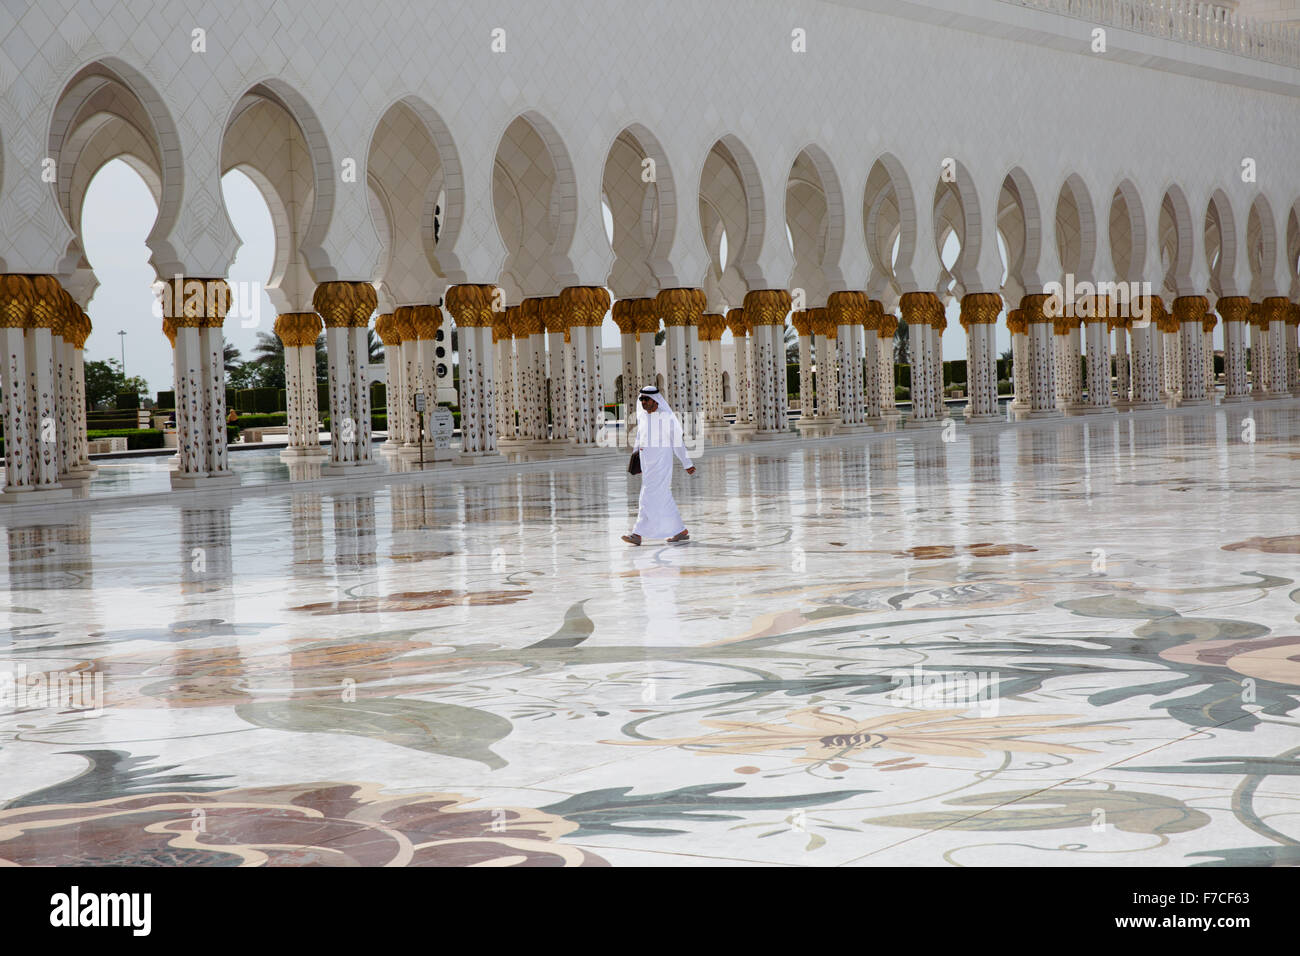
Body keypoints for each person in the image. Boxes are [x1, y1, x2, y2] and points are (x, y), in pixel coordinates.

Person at [623, 385, 695, 546]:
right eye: (641, 399)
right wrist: (636, 460)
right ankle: (680, 531)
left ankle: (637, 533)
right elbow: (639, 439)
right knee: (662, 497)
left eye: (646, 399)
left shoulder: (667, 418)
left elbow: (677, 442)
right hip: (648, 464)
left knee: (646, 497)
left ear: (655, 401)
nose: (643, 402)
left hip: (661, 463)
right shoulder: (642, 417)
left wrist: (687, 462)